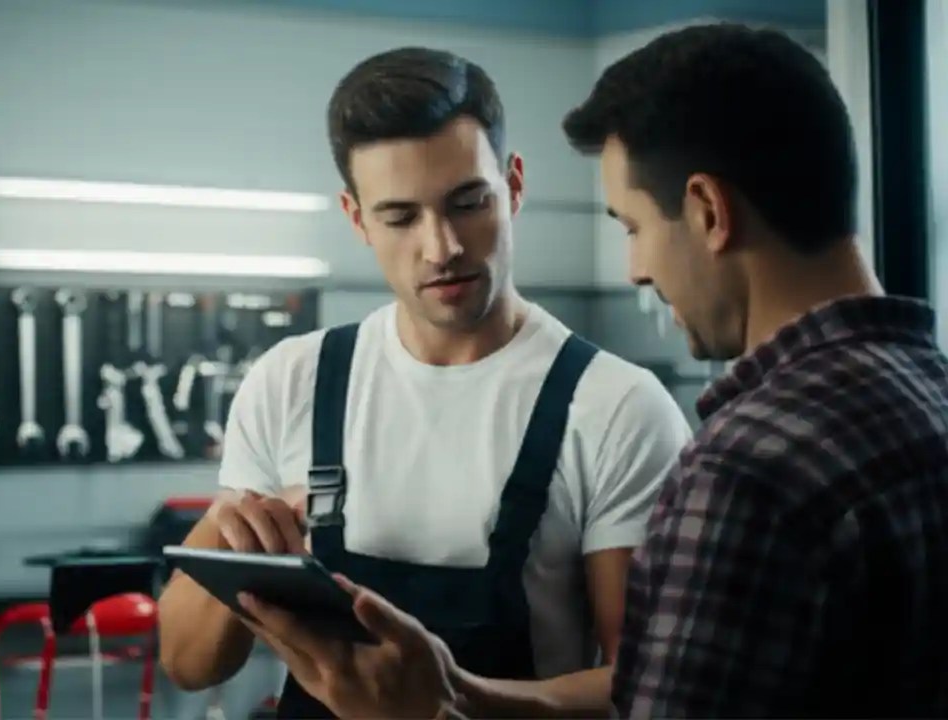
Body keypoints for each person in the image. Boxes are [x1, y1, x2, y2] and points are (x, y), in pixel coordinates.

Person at [238, 21, 948, 719]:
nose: (636, 269)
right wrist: (454, 693)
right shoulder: (926, 395)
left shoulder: (748, 471)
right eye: (400, 217)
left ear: (706, 210)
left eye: (633, 226)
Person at [156, 46, 692, 718]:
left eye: (468, 203)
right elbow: (189, 663)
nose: (441, 247)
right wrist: (230, 533)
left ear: (515, 186)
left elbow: (643, 688)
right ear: (356, 218)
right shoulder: (292, 382)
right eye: (400, 217)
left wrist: (445, 706)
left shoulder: (616, 408)